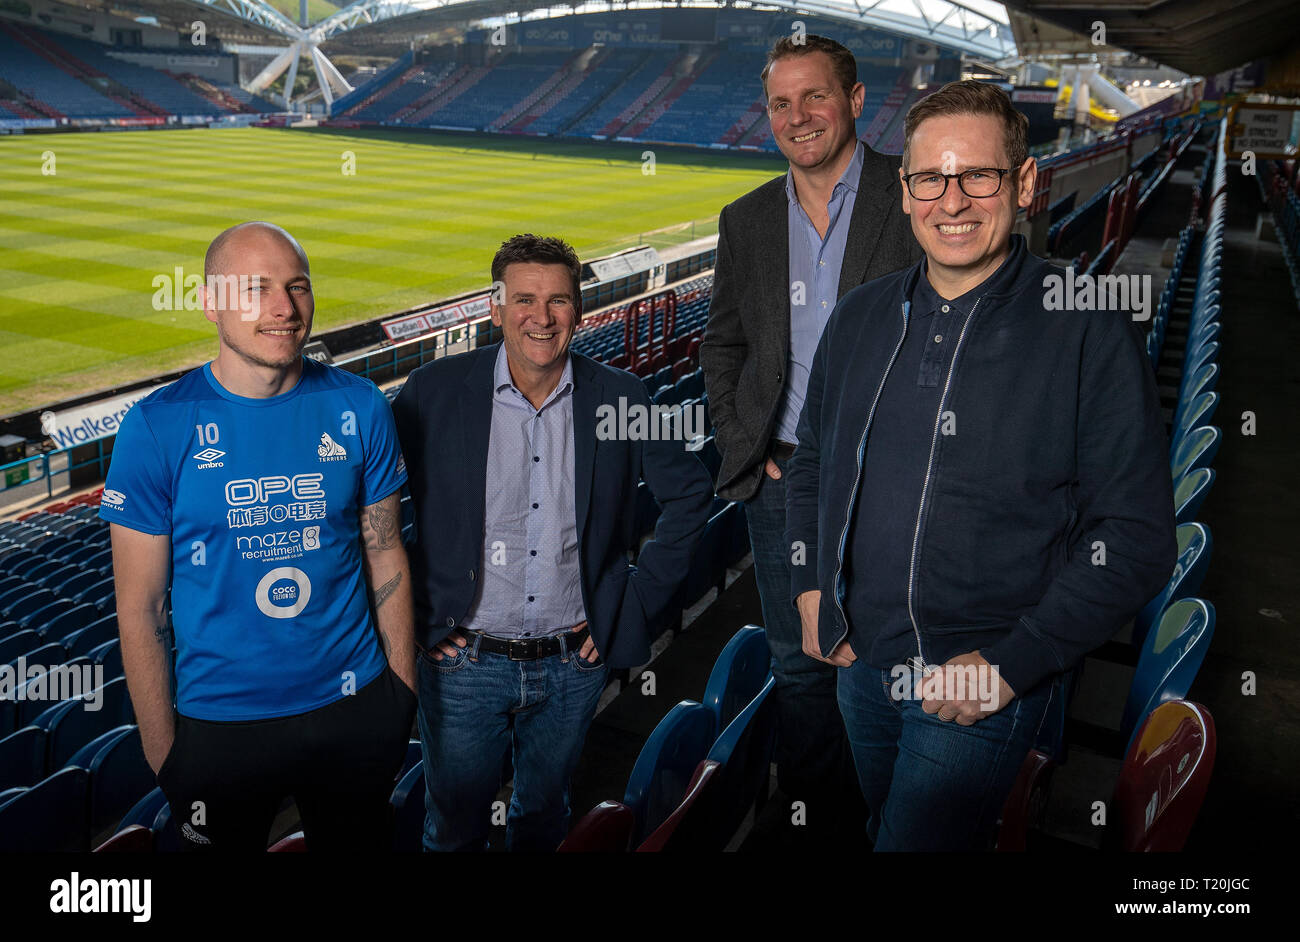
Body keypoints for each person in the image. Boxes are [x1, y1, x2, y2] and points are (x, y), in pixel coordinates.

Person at [785, 81, 1177, 850]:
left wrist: (1009, 665)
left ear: (1025, 184)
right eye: (930, 178)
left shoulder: (1088, 326)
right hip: (861, 662)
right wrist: (807, 585)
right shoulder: (860, 316)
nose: (952, 200)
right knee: (880, 826)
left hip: (979, 683)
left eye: (979, 176)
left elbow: (1135, 536)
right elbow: (811, 465)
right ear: (904, 193)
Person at [102, 221, 417, 851]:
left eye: (297, 287)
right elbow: (141, 608)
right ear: (210, 301)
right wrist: (167, 757)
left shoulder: (360, 406)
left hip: (355, 714)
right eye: (256, 288)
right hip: (219, 729)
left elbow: (385, 552)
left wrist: (398, 699)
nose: (283, 308)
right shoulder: (157, 427)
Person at [393, 233, 713, 852]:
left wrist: (635, 605)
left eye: (558, 301)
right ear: (495, 306)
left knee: (543, 820)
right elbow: (370, 508)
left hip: (574, 662)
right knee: (452, 830)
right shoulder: (433, 391)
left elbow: (691, 497)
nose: (541, 317)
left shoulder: (623, 397)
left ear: (580, 311)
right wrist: (413, 615)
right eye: (524, 299)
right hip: (461, 665)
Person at [700, 33, 920, 829]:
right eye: (781, 103)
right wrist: (746, 447)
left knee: (889, 660)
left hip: (894, 484)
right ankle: (818, 826)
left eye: (815, 96)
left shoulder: (915, 194)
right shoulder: (748, 219)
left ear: (856, 101)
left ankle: (889, 824)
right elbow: (723, 343)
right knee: (799, 669)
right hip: (783, 485)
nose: (799, 116)